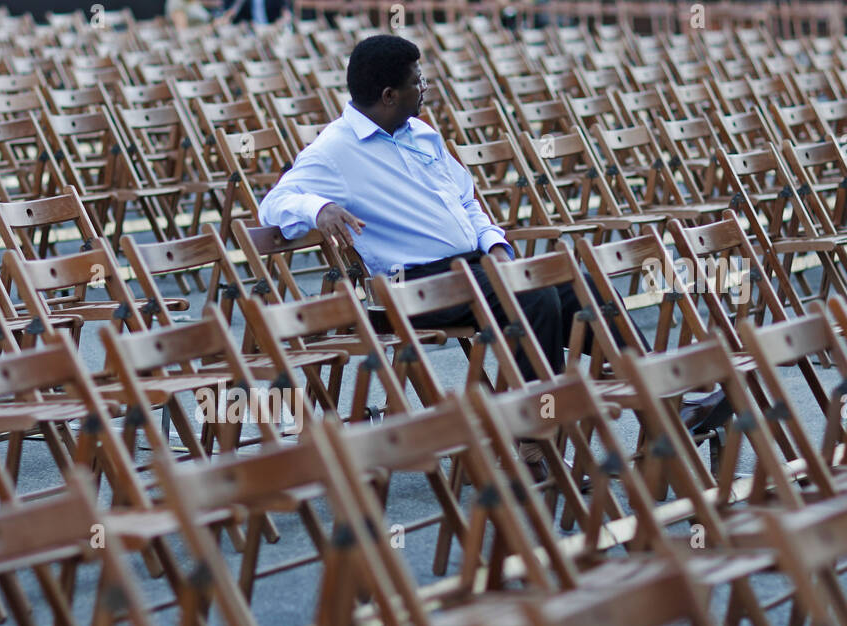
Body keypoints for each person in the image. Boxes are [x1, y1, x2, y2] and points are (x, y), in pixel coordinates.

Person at [258, 34, 728, 469]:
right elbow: (273, 204)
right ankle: (531, 440)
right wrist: (317, 207)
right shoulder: (335, 150)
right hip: (414, 285)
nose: (425, 88)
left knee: (579, 288)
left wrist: (494, 244)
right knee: (533, 298)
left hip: (474, 268)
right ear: (388, 96)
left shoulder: (420, 133)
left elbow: (464, 201)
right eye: (417, 81)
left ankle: (667, 394)